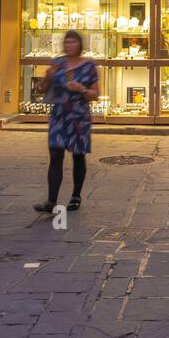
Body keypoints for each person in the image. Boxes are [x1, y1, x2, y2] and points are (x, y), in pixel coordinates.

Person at [34, 31, 99, 214]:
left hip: (79, 117)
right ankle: (51, 200)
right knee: (55, 156)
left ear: (80, 45)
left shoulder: (89, 66)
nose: (70, 45)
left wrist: (82, 89)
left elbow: (96, 95)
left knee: (78, 156)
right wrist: (47, 77)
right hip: (59, 115)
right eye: (67, 42)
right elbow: (40, 90)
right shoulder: (57, 63)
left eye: (73, 42)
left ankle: (76, 196)